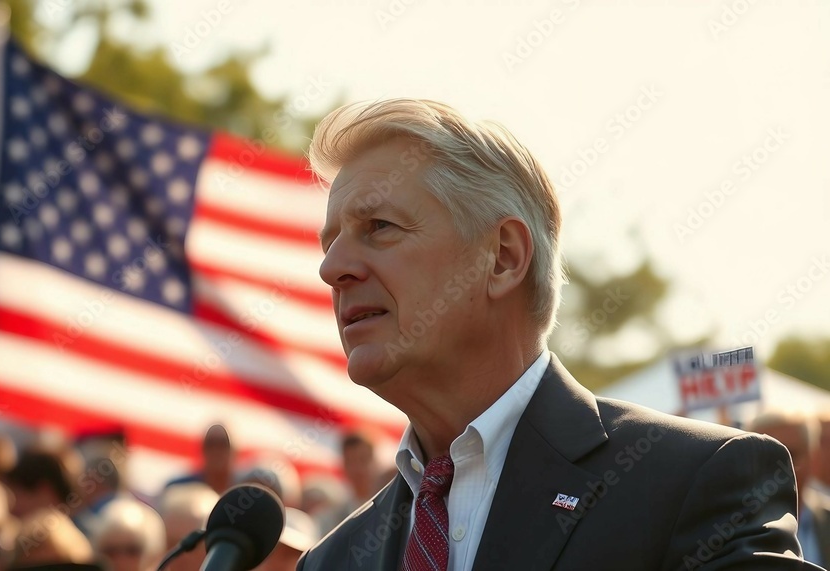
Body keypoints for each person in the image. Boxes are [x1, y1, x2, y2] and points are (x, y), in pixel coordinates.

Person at [296, 98, 820, 570]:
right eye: (330, 244)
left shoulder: (698, 480)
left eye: (379, 227)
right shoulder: (331, 560)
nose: (332, 268)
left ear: (502, 258)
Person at [751, 411, 830, 566]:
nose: (777, 469)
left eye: (789, 455)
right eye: (766, 458)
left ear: (812, 456)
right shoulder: (724, 533)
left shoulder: (826, 521)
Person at [165, 424, 235, 495]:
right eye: (210, 444)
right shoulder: (180, 488)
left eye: (223, 444)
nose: (216, 451)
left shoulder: (243, 490)